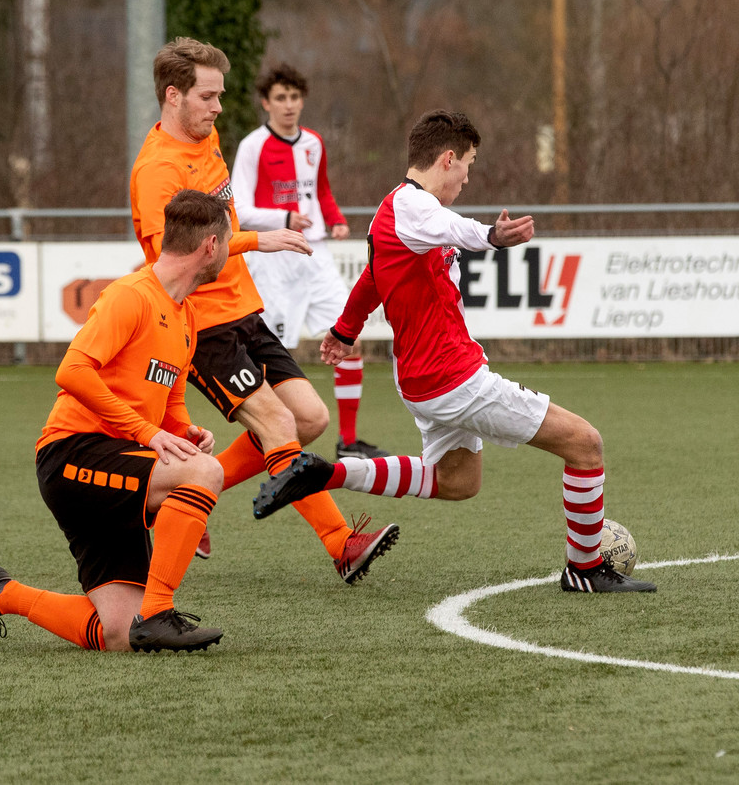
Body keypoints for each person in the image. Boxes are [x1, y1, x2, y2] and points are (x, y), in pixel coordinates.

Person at [252, 110, 657, 593]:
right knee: (585, 444)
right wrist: (493, 236)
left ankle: (325, 472)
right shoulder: (414, 206)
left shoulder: (395, 211)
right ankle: (586, 570)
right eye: (468, 163)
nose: (468, 176)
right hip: (454, 379)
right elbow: (456, 228)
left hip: (424, 379)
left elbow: (372, 278)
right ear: (447, 159)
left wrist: (343, 330)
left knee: (458, 481)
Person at [129, 37, 399, 584]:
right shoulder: (157, 170)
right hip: (202, 324)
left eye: (221, 96)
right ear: (173, 96)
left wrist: (248, 240)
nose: (218, 107)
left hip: (244, 309)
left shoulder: (207, 140)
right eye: (208, 97)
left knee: (310, 419)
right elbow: (175, 261)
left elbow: (220, 223)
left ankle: (181, 495)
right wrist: (258, 240)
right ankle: (342, 544)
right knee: (276, 423)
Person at [0, 190, 235, 654]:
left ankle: (1, 593)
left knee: (121, 636)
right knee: (207, 473)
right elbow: (72, 371)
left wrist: (186, 433)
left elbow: (170, 403)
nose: (229, 250)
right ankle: (160, 612)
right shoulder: (131, 295)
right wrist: (150, 434)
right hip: (71, 455)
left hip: (120, 464)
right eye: (227, 241)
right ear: (210, 246)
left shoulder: (187, 317)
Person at [232, 63, 389, 461]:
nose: (289, 105)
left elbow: (321, 192)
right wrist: (283, 219)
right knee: (276, 351)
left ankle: (348, 441)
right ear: (266, 103)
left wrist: (334, 220)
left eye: (295, 97)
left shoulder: (314, 143)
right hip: (273, 257)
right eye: (280, 98)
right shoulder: (253, 146)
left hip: (314, 253)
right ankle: (278, 436)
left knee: (347, 337)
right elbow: (240, 210)